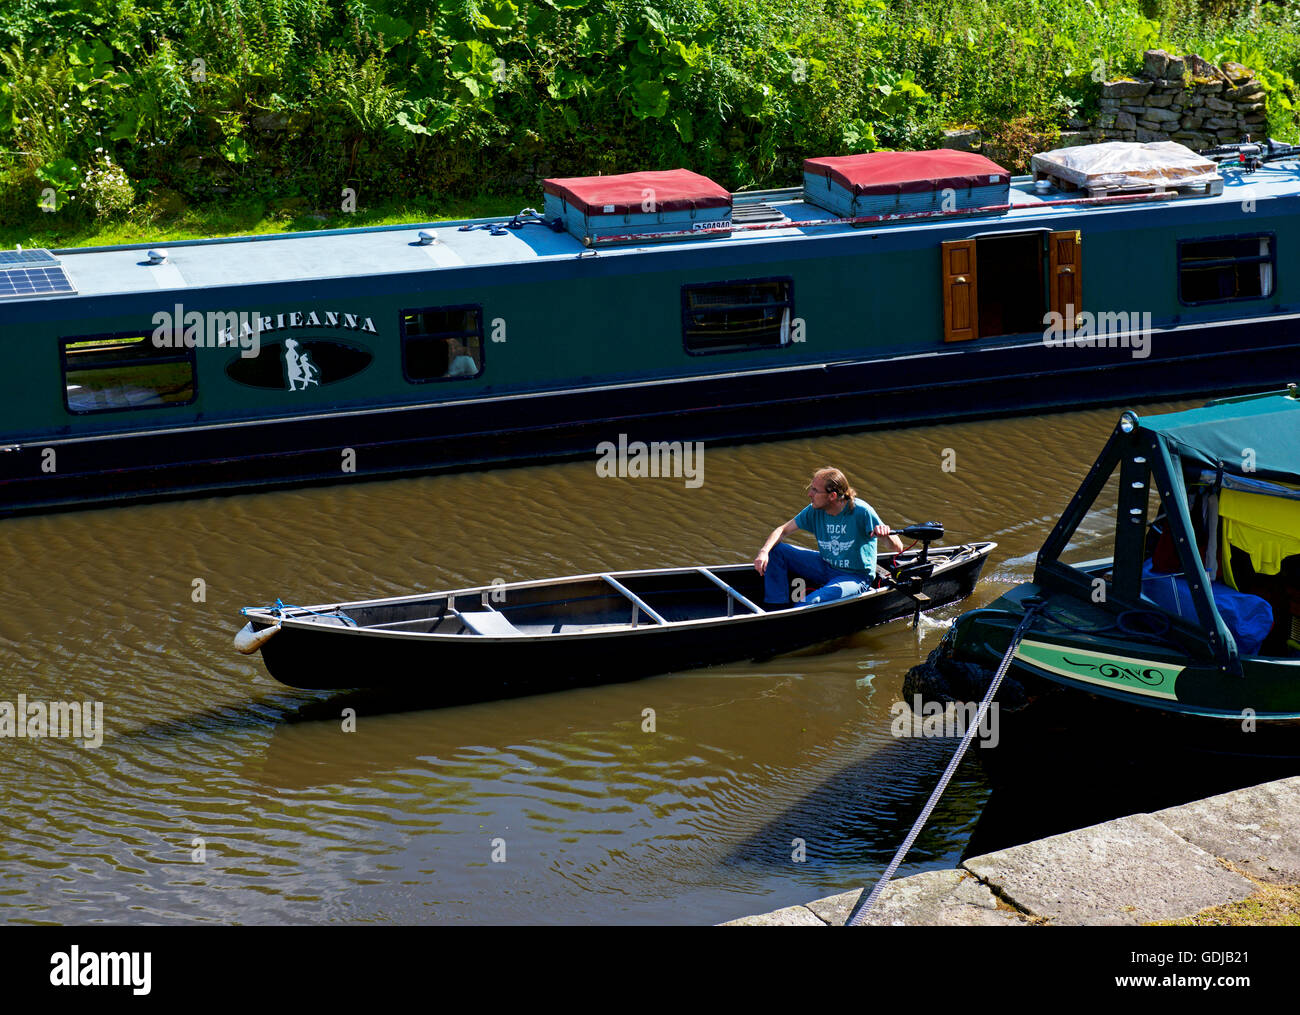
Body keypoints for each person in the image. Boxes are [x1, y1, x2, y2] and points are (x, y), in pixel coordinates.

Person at [754, 467, 904, 606]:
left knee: (809, 603)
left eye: (815, 490)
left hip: (855, 577)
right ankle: (776, 606)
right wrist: (763, 552)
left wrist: (885, 536)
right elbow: (783, 530)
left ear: (832, 496)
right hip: (825, 565)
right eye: (810, 488)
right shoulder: (814, 510)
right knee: (776, 550)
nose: (809, 494)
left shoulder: (862, 511)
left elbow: (897, 547)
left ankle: (791, 617)